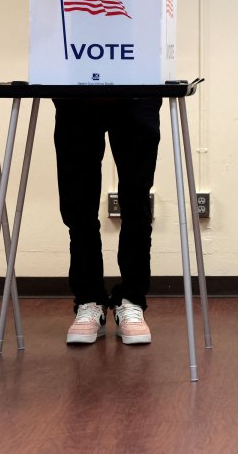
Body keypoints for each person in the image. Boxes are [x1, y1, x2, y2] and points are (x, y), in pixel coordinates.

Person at [54, 97, 161, 346]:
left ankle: (132, 300)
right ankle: (89, 300)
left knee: (136, 199)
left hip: (136, 92)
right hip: (75, 93)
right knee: (78, 204)